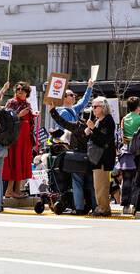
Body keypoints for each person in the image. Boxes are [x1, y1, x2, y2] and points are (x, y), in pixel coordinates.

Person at [49, 83, 96, 214]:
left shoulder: (74, 118)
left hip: (75, 154)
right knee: (89, 183)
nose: (74, 97)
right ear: (64, 98)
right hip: (84, 153)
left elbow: (83, 102)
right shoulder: (66, 112)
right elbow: (64, 124)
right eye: (71, 95)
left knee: (78, 181)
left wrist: (90, 87)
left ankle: (80, 207)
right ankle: (93, 206)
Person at [1, 83, 35, 198]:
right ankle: (9, 190)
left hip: (25, 137)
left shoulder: (27, 104)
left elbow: (30, 122)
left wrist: (33, 116)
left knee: (22, 161)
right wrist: (19, 115)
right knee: (15, 161)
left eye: (22, 89)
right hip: (15, 137)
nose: (19, 91)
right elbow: (5, 118)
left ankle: (17, 190)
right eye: (18, 89)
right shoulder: (11, 102)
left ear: (27, 92)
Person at [86, 95, 116, 217]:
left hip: (103, 158)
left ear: (103, 107)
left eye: (96, 107)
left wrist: (93, 129)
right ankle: (102, 206)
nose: (93, 109)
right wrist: (90, 130)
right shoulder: (99, 120)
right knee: (98, 184)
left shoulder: (107, 120)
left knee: (101, 185)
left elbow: (104, 139)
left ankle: (103, 208)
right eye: (92, 106)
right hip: (98, 158)